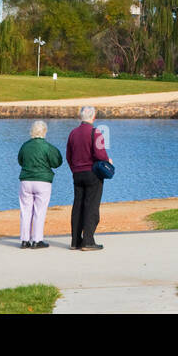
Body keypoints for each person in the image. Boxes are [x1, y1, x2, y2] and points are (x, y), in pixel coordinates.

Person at [66, 106, 112, 251]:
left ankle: (75, 240)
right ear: (94, 117)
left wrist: (74, 169)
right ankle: (88, 241)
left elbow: (69, 155)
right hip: (92, 173)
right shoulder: (95, 132)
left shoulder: (73, 133)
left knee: (78, 206)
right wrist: (108, 161)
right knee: (91, 206)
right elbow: (100, 155)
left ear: (80, 117)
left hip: (77, 173)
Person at [17, 120, 62, 249]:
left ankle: (25, 240)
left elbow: (20, 160)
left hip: (26, 180)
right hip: (42, 181)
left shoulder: (25, 146)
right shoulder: (48, 147)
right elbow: (56, 162)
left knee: (25, 211)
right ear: (44, 132)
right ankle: (37, 240)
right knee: (39, 211)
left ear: (32, 131)